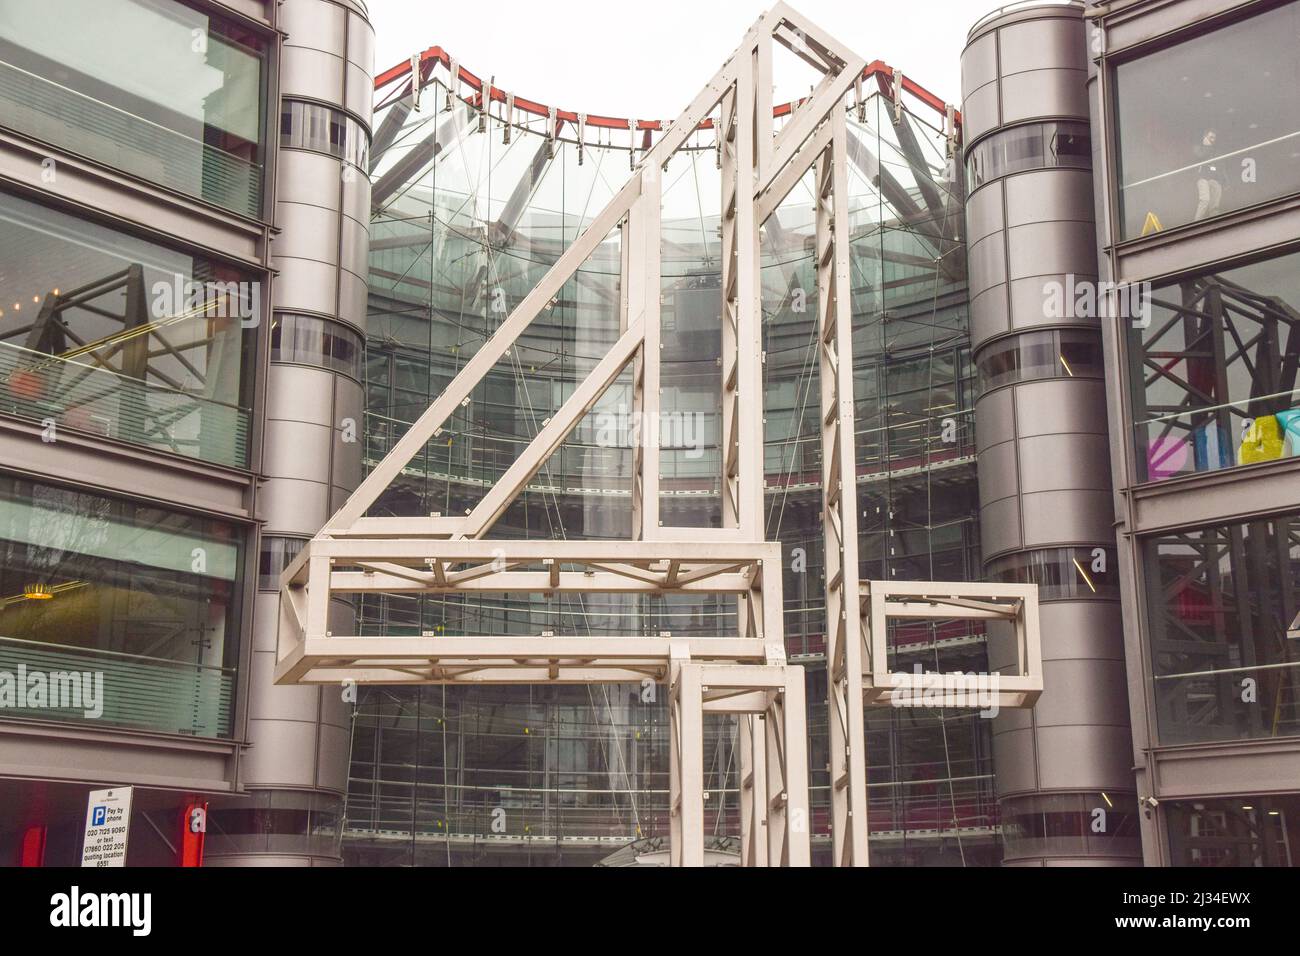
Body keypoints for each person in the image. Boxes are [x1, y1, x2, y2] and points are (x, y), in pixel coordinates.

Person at [1193, 129, 1226, 220]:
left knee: (1215, 205)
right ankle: (1196, 223)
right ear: (1205, 137)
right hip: (1203, 178)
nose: (1213, 139)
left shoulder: (1216, 150)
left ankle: (1215, 224)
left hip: (1214, 179)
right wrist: (1206, 146)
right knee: (1205, 200)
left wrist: (1225, 181)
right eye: (1210, 137)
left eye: (1214, 138)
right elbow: (1200, 157)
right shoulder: (1198, 148)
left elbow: (1221, 166)